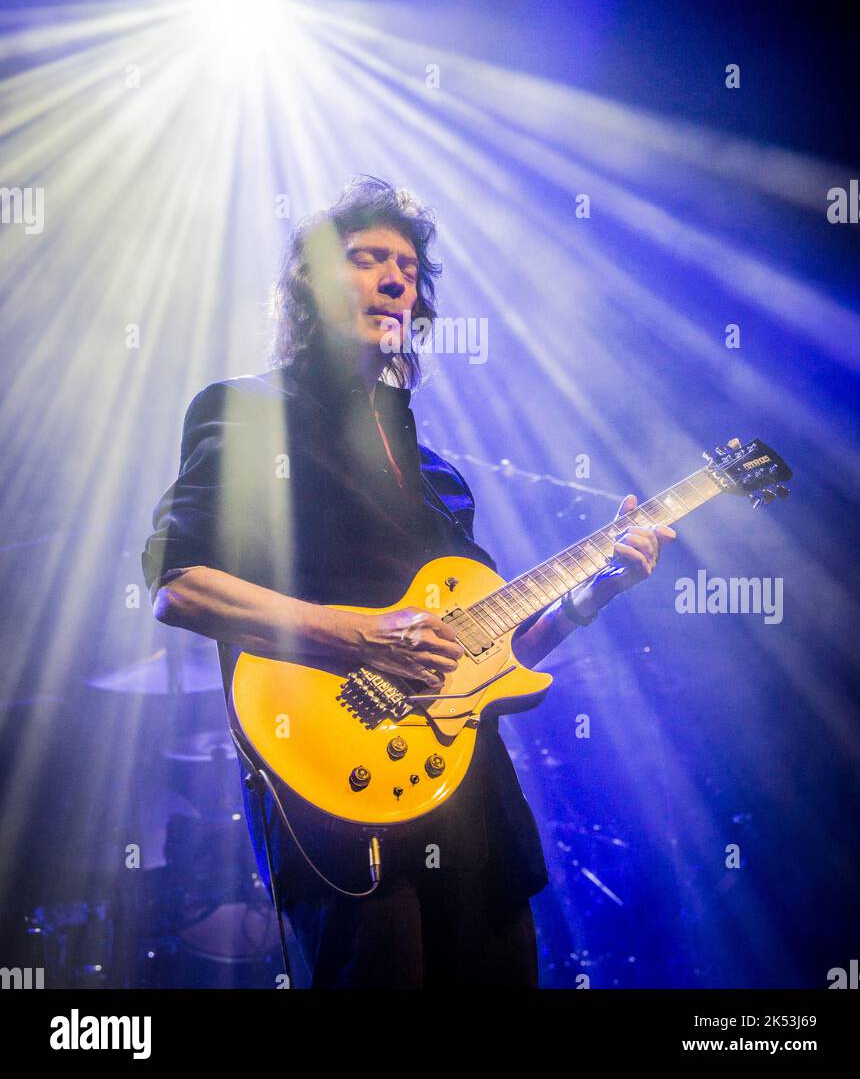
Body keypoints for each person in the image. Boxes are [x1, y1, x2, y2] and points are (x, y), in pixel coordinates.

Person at [142, 175, 676, 988]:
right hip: (336, 783)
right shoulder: (245, 412)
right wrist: (356, 633)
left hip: (471, 797)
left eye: (406, 268)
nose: (394, 278)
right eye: (365, 259)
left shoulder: (438, 474)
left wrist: (593, 592)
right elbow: (180, 586)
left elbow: (493, 648)